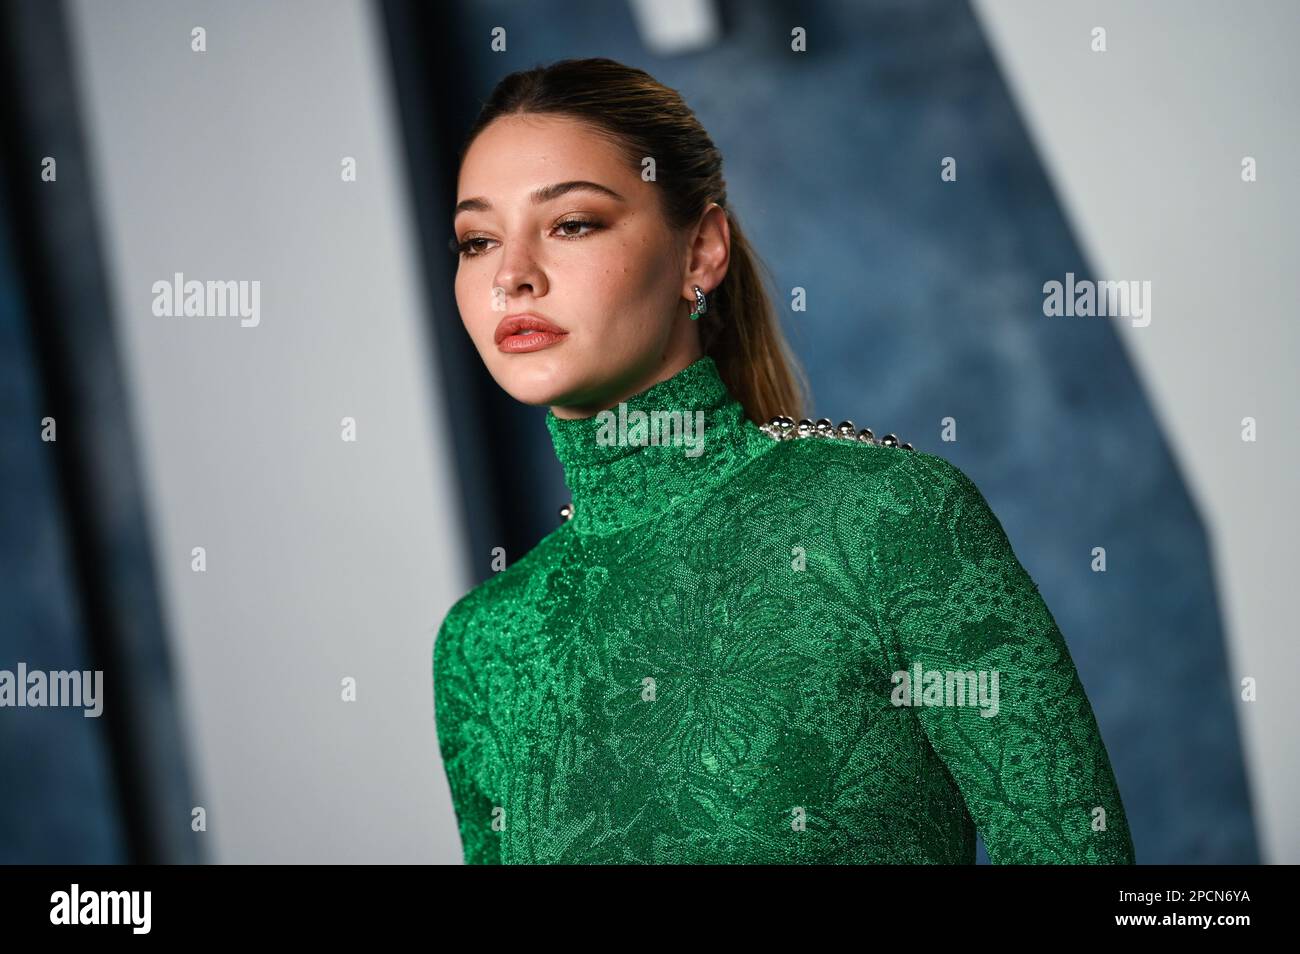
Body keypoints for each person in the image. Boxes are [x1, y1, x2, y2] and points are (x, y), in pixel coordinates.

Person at [433, 56, 1135, 864]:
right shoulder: (481, 647)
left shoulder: (889, 520)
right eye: (477, 240)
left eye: (572, 223)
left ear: (700, 251)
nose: (512, 277)